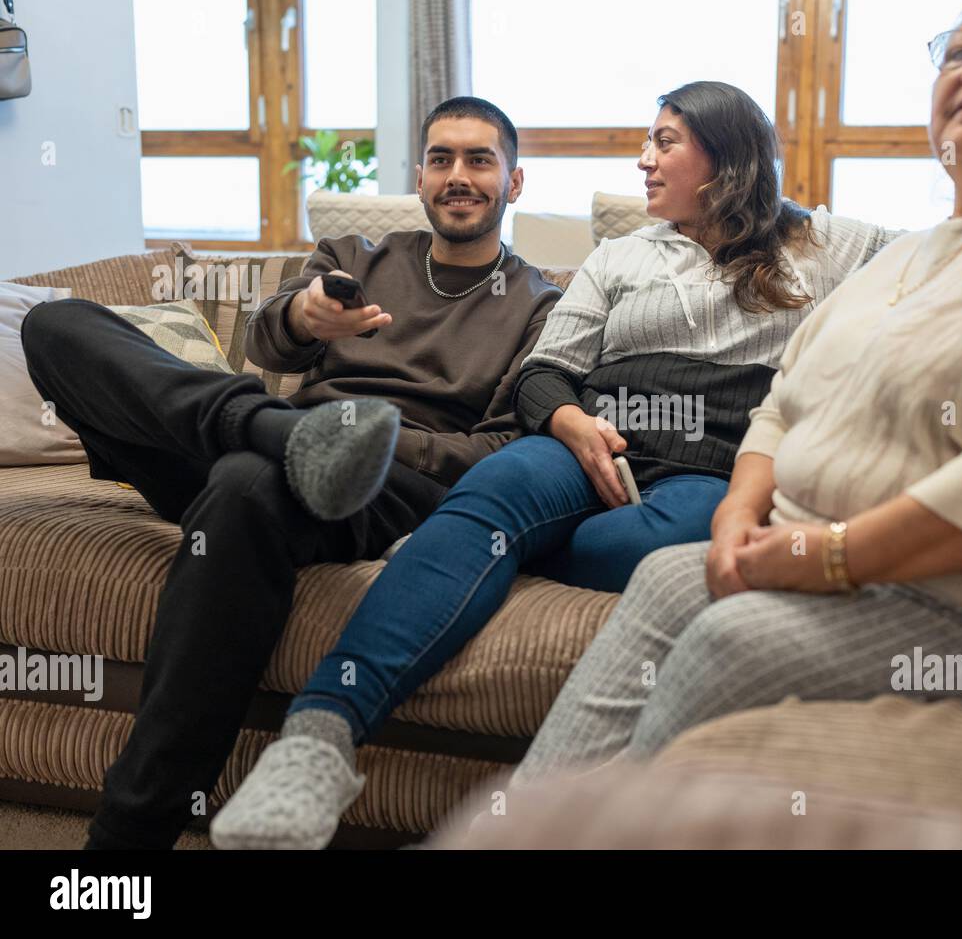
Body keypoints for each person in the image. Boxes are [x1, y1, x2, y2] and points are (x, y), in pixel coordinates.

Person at [505, 0, 962, 787]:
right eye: (958, 50)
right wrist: (740, 515)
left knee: (735, 640)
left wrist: (824, 556)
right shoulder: (906, 259)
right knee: (675, 574)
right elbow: (784, 407)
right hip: (875, 588)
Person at [210, 80, 899, 849]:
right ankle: (318, 737)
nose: (643, 160)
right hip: (590, 442)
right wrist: (571, 421)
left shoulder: (823, 245)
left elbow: (949, 258)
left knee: (625, 549)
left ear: (726, 154)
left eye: (664, 142)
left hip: (714, 469)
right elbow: (546, 371)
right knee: (496, 493)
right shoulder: (622, 254)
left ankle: (460, 548)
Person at [21, 95, 561, 849]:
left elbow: (503, 454)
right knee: (53, 325)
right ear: (421, 176)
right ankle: (270, 428)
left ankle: (125, 843)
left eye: (479, 160)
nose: (458, 176)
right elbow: (268, 348)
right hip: (267, 445)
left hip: (387, 490)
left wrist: (363, 438)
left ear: (515, 181)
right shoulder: (356, 257)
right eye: (441, 159)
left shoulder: (542, 304)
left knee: (246, 483)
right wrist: (305, 320)